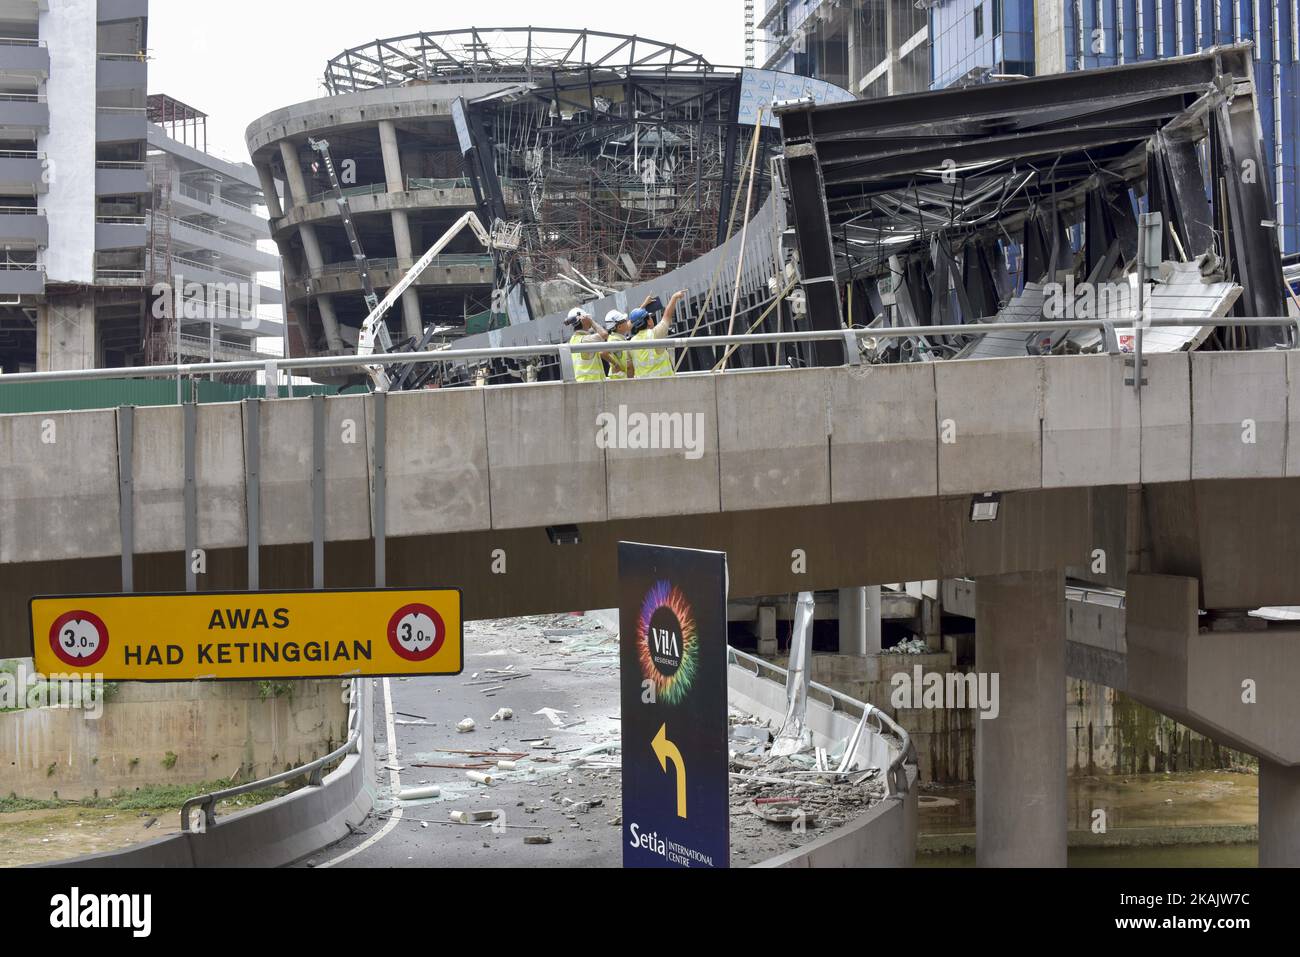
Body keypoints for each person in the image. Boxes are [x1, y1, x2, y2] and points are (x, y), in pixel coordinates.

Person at [628, 290, 686, 379]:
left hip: (643, 387)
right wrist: (674, 298)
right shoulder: (654, 334)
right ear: (648, 321)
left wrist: (643, 305)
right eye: (650, 317)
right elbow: (667, 316)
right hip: (663, 385)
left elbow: (629, 368)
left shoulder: (631, 343)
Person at [564, 306, 609, 382]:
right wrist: (591, 322)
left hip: (581, 382)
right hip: (592, 382)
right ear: (583, 321)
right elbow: (604, 334)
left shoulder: (573, 340)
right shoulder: (587, 340)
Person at [602, 310, 635, 380]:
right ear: (619, 327)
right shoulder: (614, 340)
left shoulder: (617, 337)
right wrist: (615, 364)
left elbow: (629, 325)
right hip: (621, 377)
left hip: (621, 377)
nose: (627, 322)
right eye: (625, 321)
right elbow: (603, 352)